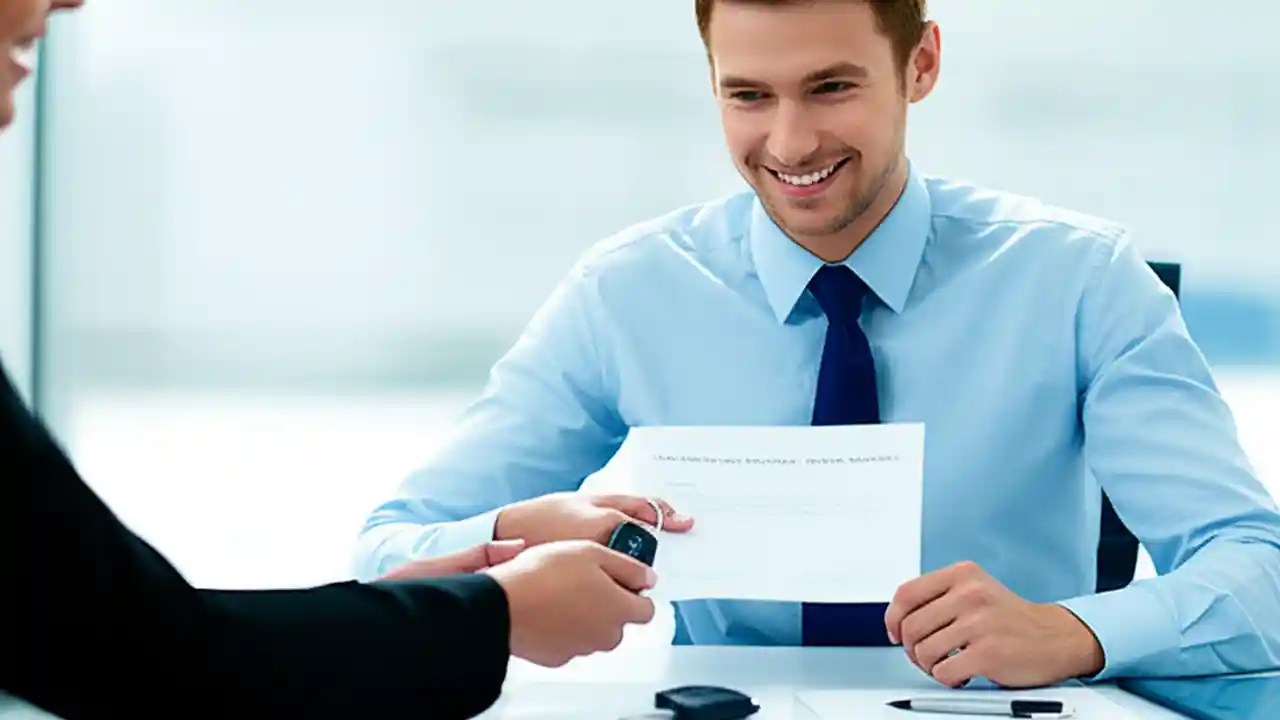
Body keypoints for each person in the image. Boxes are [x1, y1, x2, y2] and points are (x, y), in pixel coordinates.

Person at [355, 0, 1280, 690]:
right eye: (748, 96)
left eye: (831, 87)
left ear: (921, 64)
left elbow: (1256, 567)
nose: (789, 142)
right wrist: (515, 538)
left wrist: (1074, 632)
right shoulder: (625, 293)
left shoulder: (1082, 281)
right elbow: (385, 554)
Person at [0, 2, 658, 718]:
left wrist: (451, 606)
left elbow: (119, 633)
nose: (71, 3)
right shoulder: (628, 289)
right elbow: (147, 652)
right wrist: (491, 614)